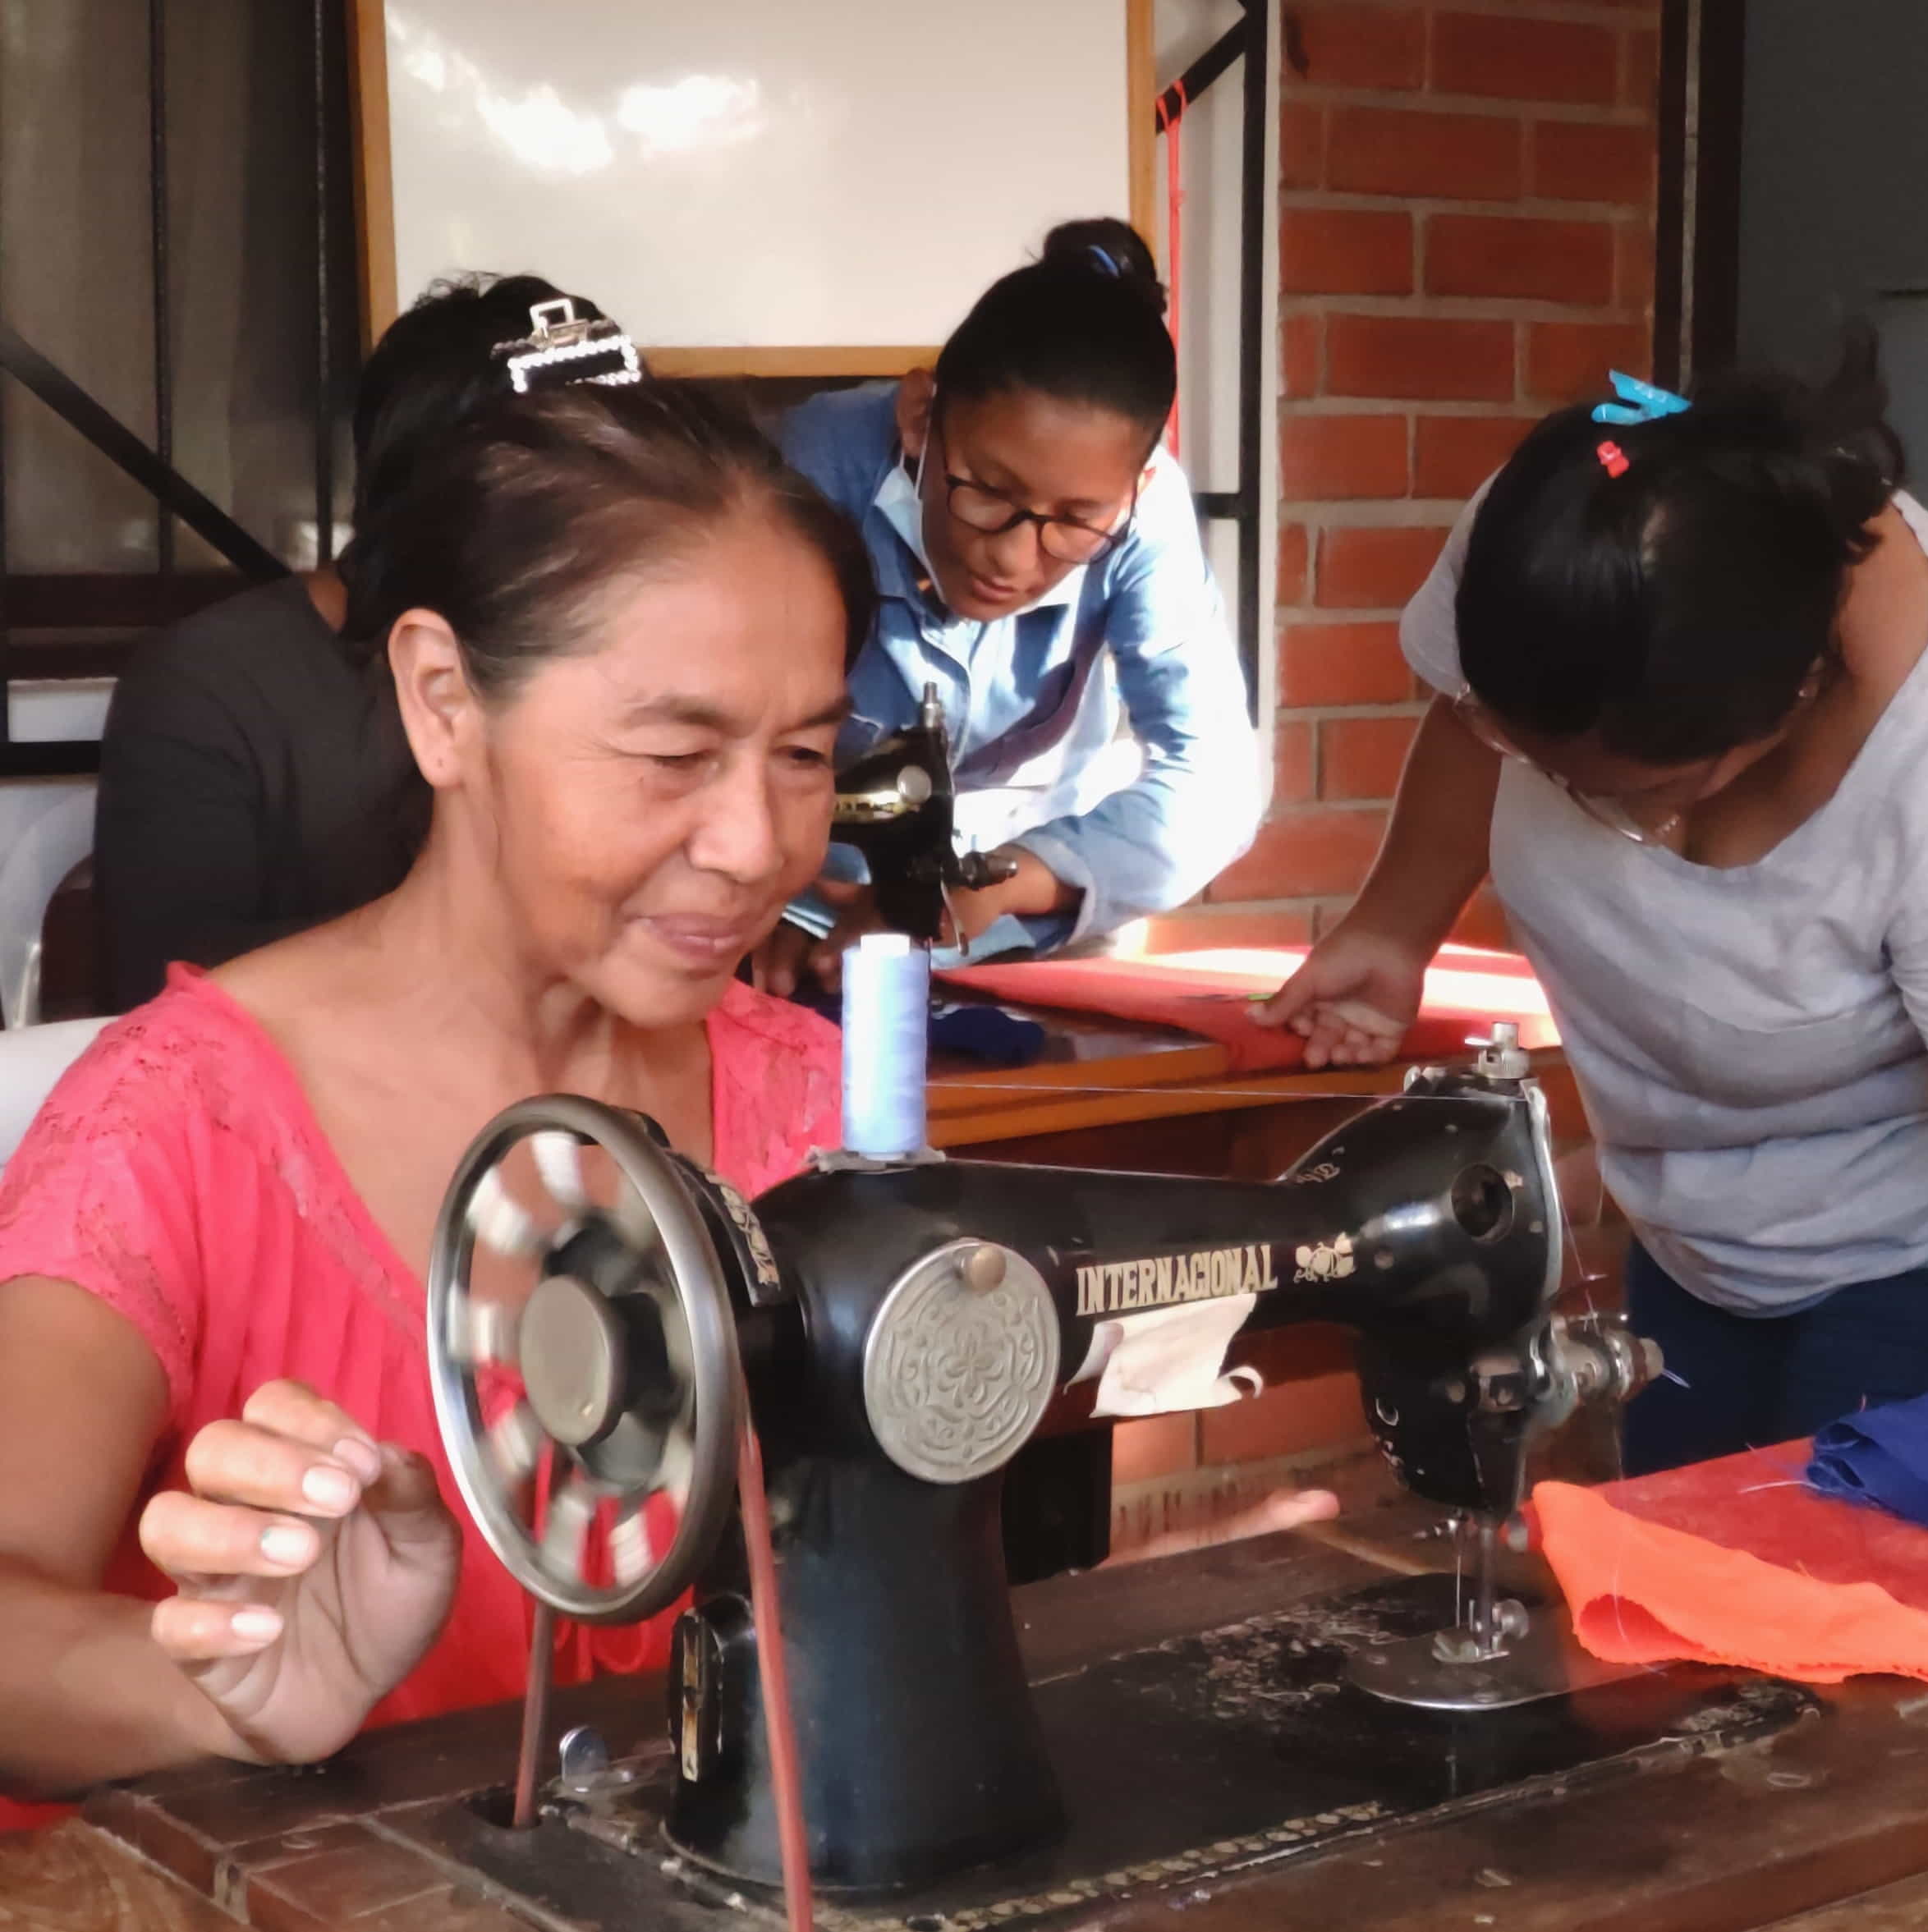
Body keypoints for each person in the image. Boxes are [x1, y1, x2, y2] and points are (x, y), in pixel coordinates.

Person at [0, 365, 871, 1797]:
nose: (754, 842)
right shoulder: (175, 1122)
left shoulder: (817, 1111)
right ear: (444, 698)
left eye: (804, 754)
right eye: (675, 754)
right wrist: (215, 1682)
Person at [1256, 346, 1928, 1475]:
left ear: (1783, 705)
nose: (1571, 807)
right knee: (1679, 1568)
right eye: (1539, 767)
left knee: (1835, 1585)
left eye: (1615, 793)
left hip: (1903, 1269)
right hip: (1682, 1242)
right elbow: (1465, 714)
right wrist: (1393, 928)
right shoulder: (1569, 529)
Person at [755, 218, 1261, 992]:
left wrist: (1015, 880)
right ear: (920, 416)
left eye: (1073, 521)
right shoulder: (804, 475)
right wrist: (759, 903)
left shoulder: (1140, 518)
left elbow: (1213, 775)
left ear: (1138, 490)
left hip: (1024, 917)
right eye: (988, 493)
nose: (1014, 559)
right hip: (797, 911)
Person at [94, 273, 607, 1013]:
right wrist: (488, 943)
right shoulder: (212, 681)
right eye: (574, 488)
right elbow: (165, 988)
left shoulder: (615, 661)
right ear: (430, 488)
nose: (618, 525)